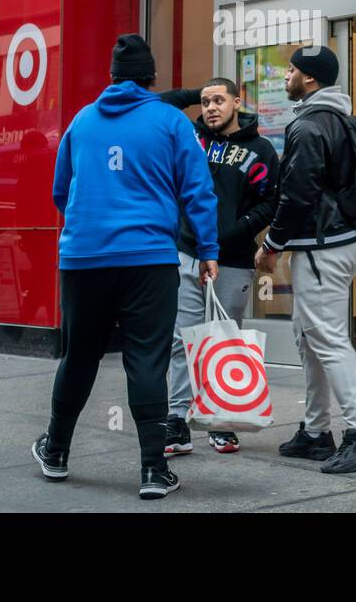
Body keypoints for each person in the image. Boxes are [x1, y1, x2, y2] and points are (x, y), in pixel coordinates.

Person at [32, 34, 220, 500]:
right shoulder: (172, 122)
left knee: (79, 354)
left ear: (112, 77)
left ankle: (55, 451)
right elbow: (198, 191)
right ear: (151, 77)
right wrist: (209, 250)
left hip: (84, 258)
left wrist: (93, 221)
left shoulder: (82, 121)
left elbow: (61, 191)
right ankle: (154, 471)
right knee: (147, 360)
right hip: (149, 260)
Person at [255, 45, 356, 474]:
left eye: (291, 71)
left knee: (327, 339)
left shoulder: (311, 126)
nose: (286, 78)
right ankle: (315, 431)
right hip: (340, 242)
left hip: (324, 247)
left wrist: (271, 244)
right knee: (309, 336)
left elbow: (298, 195)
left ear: (309, 79)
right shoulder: (342, 119)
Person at [164, 78, 280, 457]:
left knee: (224, 339)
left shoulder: (260, 150)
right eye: (204, 101)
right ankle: (177, 421)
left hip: (231, 259)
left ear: (236, 101)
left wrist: (236, 230)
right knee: (181, 340)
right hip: (187, 252)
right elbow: (161, 105)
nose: (211, 107)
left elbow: (269, 202)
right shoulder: (190, 140)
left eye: (218, 100)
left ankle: (222, 422)